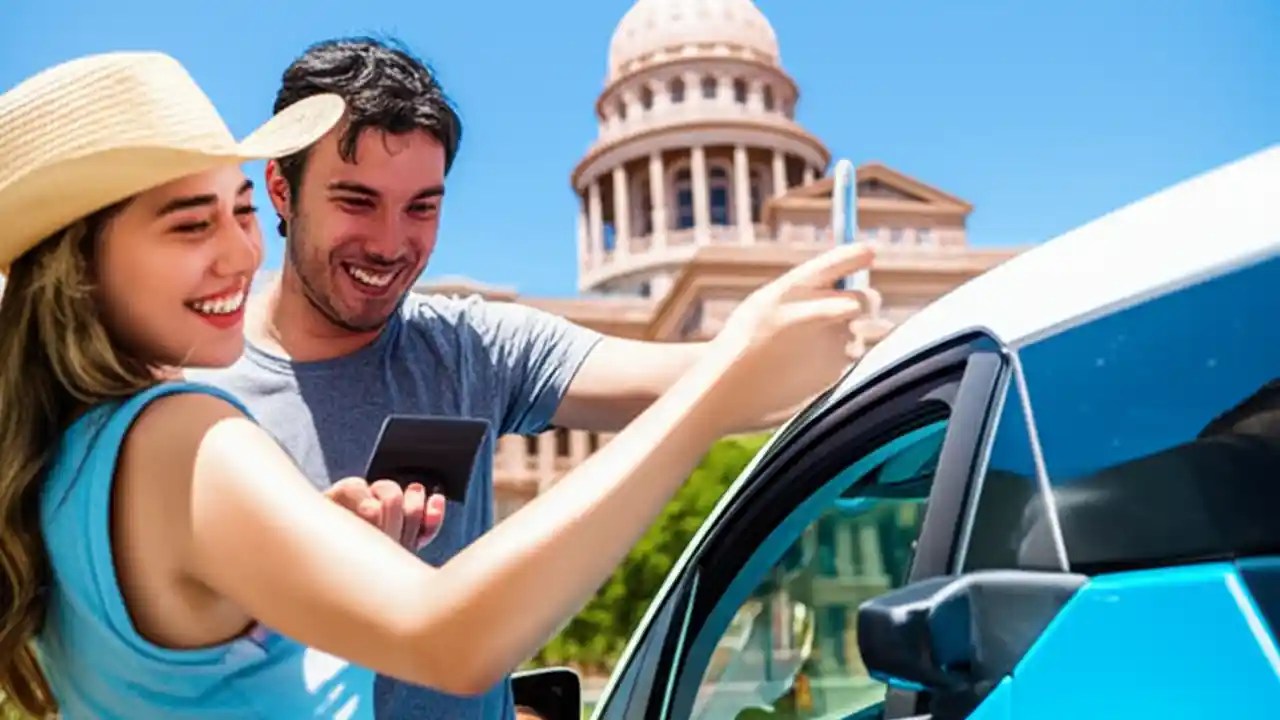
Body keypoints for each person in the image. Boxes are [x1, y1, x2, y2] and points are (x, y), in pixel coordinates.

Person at [0, 51, 877, 719]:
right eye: (192, 223)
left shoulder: (73, 447)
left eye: (422, 205)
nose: (237, 251)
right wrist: (717, 393)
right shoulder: (185, 427)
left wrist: (293, 554)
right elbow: (443, 637)